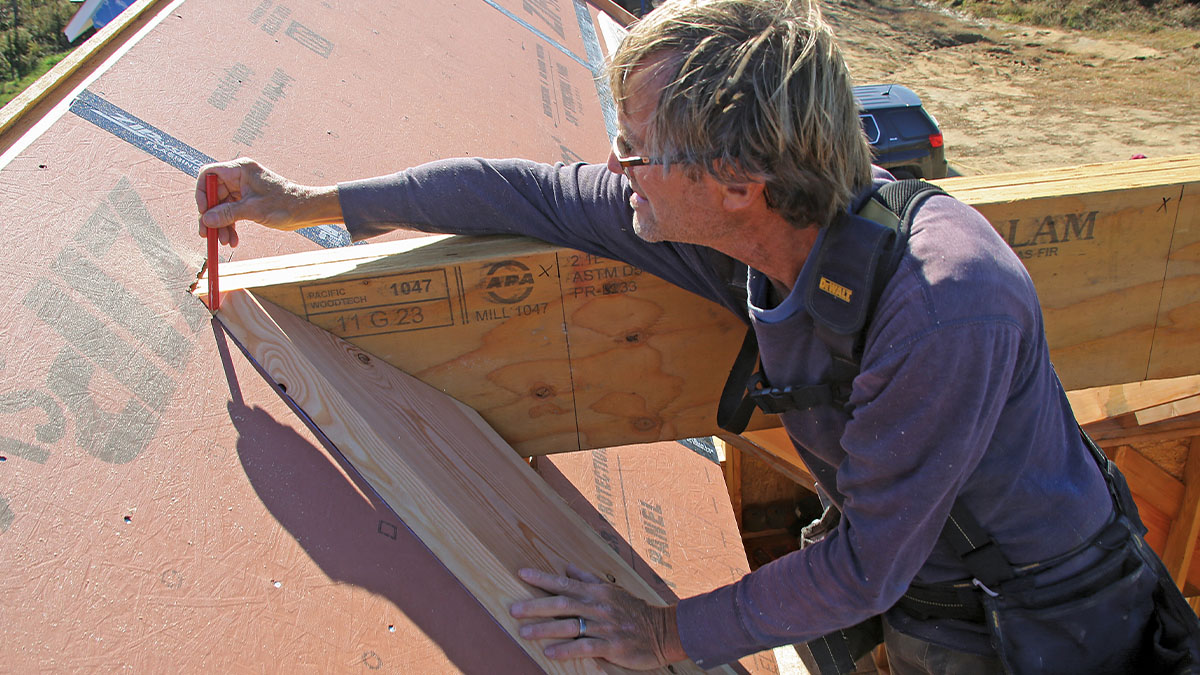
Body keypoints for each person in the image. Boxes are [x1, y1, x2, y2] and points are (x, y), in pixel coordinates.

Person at [196, 0, 1198, 672]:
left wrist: (663, 632)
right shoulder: (746, 230)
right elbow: (523, 192)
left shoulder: (941, 308)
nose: (614, 166)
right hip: (925, 585)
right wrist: (303, 201)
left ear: (734, 184)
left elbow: (863, 569)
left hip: (1042, 621)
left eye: (635, 151)